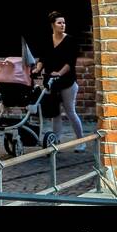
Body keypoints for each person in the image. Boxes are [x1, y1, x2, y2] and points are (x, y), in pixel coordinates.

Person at [35, 10, 86, 152]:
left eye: (64, 22)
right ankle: (55, 141)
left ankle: (81, 141)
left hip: (67, 82)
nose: (63, 25)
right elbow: (42, 59)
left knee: (70, 111)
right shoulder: (47, 40)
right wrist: (37, 69)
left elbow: (70, 63)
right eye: (59, 23)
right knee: (55, 113)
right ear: (53, 25)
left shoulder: (70, 40)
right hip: (51, 81)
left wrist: (59, 72)